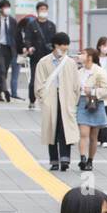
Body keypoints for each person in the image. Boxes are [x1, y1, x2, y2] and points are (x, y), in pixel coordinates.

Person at [35, 32, 78, 172]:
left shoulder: (70, 63)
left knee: (64, 128)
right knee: (51, 129)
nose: (64, 48)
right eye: (62, 45)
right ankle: (54, 160)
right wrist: (43, 99)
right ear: (55, 45)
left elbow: (76, 85)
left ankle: (65, 159)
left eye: (66, 46)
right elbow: (38, 84)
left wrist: (73, 100)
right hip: (50, 100)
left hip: (66, 100)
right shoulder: (43, 62)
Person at [75, 48, 107, 171]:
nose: (80, 56)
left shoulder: (99, 71)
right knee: (83, 133)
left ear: (90, 57)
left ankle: (90, 160)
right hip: (82, 103)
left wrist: (93, 91)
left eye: (83, 54)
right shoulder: (79, 72)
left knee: (93, 136)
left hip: (95, 104)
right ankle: (82, 158)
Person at [22, 1, 57, 109]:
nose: (43, 11)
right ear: (37, 11)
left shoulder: (51, 25)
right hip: (36, 56)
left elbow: (55, 40)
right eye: (41, 9)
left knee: (49, 80)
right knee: (34, 80)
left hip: (49, 57)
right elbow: (27, 38)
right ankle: (32, 100)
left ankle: (46, 99)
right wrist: (29, 47)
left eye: (45, 9)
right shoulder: (31, 25)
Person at [0, 0, 19, 102]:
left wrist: (19, 49)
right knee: (1, 70)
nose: (7, 9)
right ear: (0, 9)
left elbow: (17, 36)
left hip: (9, 48)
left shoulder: (13, 21)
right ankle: (5, 90)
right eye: (5, 7)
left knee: (5, 72)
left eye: (8, 7)